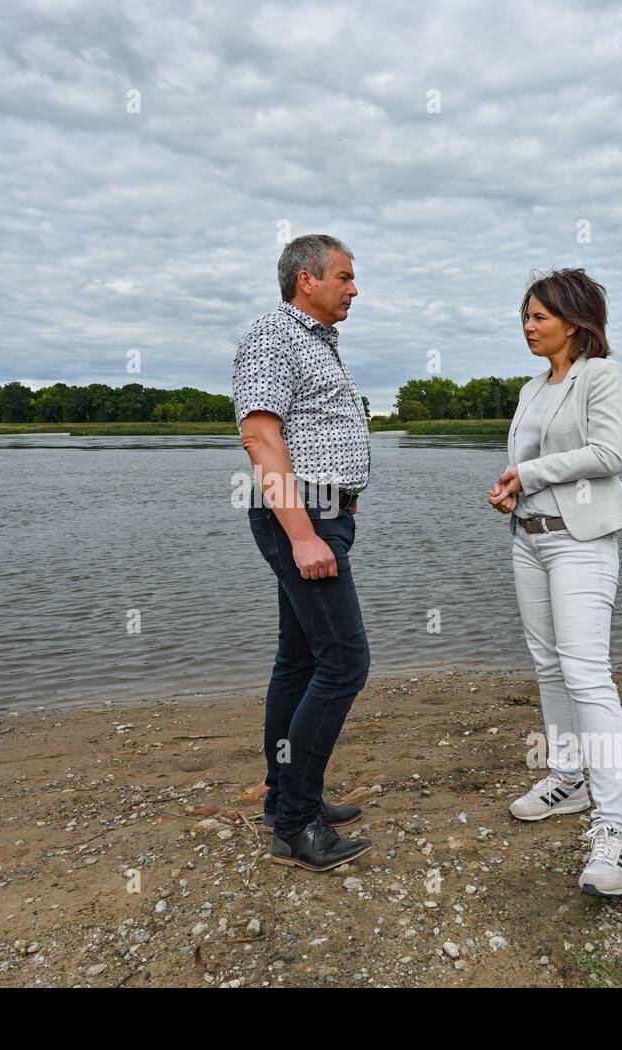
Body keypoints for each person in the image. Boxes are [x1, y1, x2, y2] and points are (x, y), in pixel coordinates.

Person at [489, 268, 622, 897]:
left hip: (581, 543)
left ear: (575, 322)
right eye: (524, 317)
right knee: (549, 666)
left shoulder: (601, 376)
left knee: (586, 674)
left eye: (538, 318)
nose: (527, 327)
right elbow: (530, 468)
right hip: (529, 540)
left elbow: (610, 454)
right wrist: (512, 492)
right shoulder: (532, 388)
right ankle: (567, 779)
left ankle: (616, 833)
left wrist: (527, 472)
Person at [232, 234, 373, 872]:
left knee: (298, 661)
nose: (353, 288)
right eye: (343, 276)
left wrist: (341, 500)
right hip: (301, 518)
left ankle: (284, 795)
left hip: (322, 511)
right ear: (305, 281)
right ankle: (296, 824)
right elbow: (261, 438)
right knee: (344, 662)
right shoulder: (274, 335)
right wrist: (304, 533)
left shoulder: (318, 342)